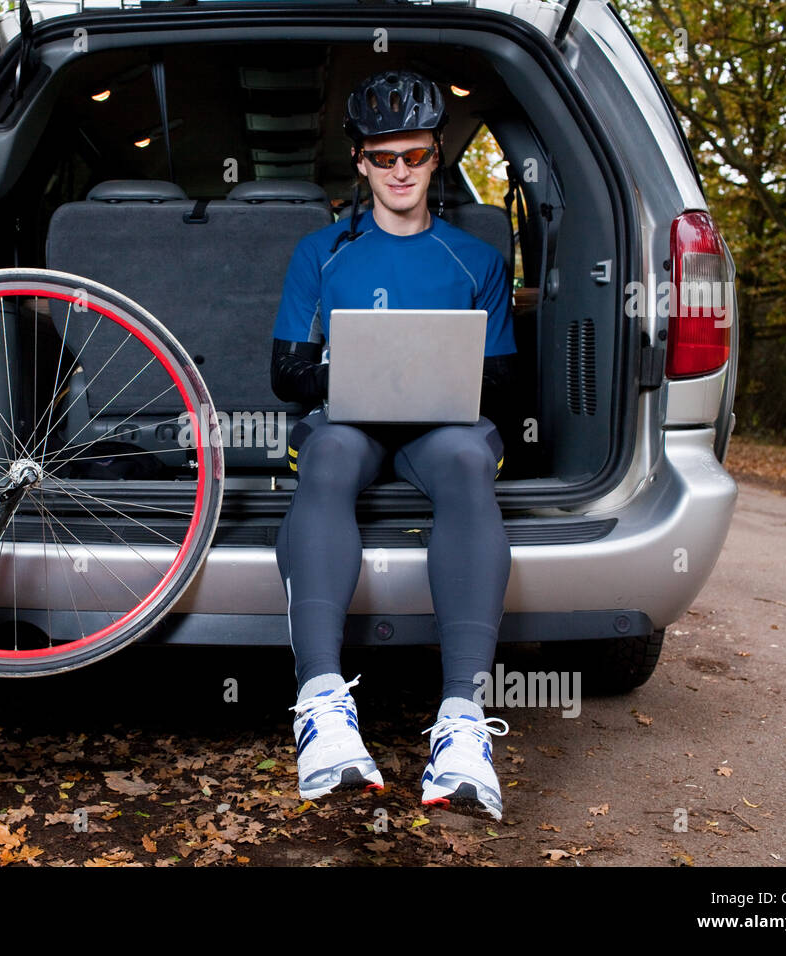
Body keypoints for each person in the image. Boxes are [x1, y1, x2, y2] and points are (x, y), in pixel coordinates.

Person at [270, 70, 517, 820]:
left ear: (437, 156)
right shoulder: (321, 251)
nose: (401, 171)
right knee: (331, 454)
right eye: (384, 158)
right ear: (360, 161)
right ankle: (321, 708)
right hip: (348, 422)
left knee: (472, 458)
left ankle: (463, 726)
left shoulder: (476, 259)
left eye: (414, 155)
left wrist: (438, 374)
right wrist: (344, 368)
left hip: (440, 430)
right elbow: (285, 372)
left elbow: (502, 383)